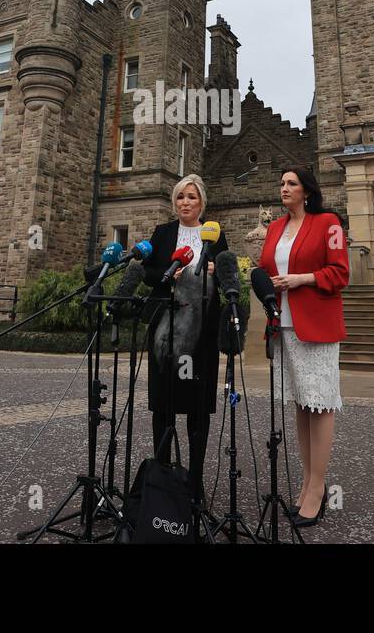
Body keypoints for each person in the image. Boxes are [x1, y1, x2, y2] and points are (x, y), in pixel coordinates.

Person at [258, 167, 348, 528]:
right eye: (281, 183)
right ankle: (308, 480)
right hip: (283, 325)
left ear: (306, 191)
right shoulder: (276, 228)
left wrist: (302, 279)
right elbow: (265, 268)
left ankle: (317, 488)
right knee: (301, 402)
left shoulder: (329, 223)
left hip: (318, 325)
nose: (284, 188)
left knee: (321, 403)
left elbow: (340, 273)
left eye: (291, 183)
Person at [141, 173, 227, 505]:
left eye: (191, 197)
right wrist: (167, 275)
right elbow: (148, 273)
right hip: (165, 327)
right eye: (180, 197)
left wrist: (214, 274)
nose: (185, 203)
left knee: (196, 406)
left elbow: (227, 273)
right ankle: (161, 474)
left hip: (200, 333)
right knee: (164, 402)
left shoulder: (215, 235)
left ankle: (195, 480)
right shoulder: (163, 234)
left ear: (201, 202)